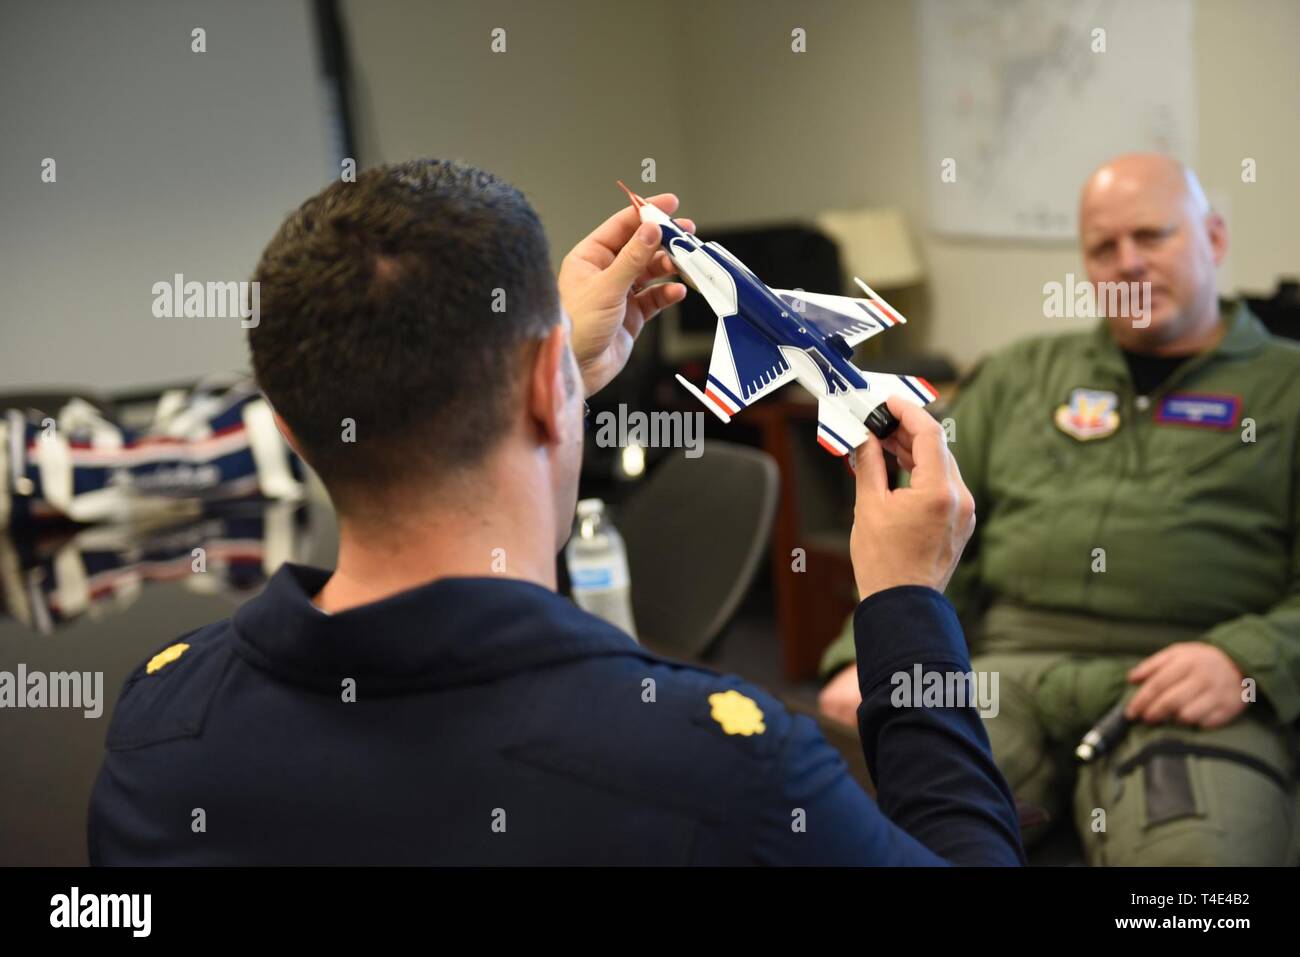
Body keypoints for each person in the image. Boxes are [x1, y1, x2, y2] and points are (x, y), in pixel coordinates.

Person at [88, 159, 1022, 865]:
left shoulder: (161, 724)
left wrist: (545, 373)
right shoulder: (723, 766)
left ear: (291, 430)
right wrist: (906, 606)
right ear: (548, 384)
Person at [817, 153, 1300, 865]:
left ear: (1215, 238)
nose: (1127, 263)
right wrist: (875, 652)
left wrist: (1249, 658)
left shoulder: (1286, 387)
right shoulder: (1021, 375)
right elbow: (923, 523)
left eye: (1152, 235)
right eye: (1104, 247)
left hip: (1188, 682)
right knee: (873, 840)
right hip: (1007, 667)